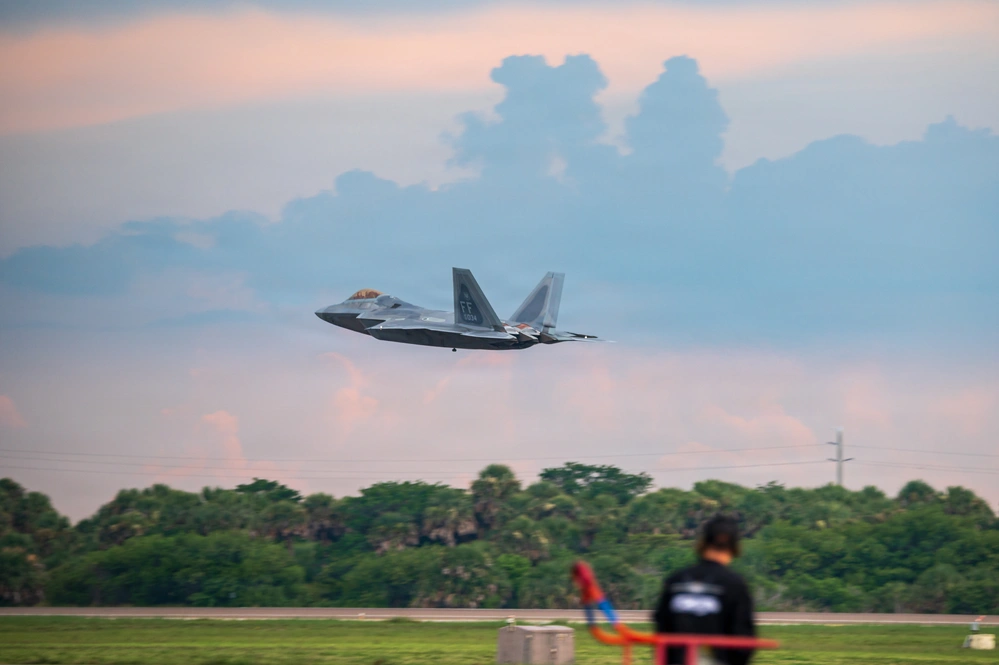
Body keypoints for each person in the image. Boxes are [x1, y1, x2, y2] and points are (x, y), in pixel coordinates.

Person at [653, 514, 756, 665]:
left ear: (702, 543)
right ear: (735, 547)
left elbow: (661, 626)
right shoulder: (735, 584)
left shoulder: (675, 580)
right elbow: (743, 641)